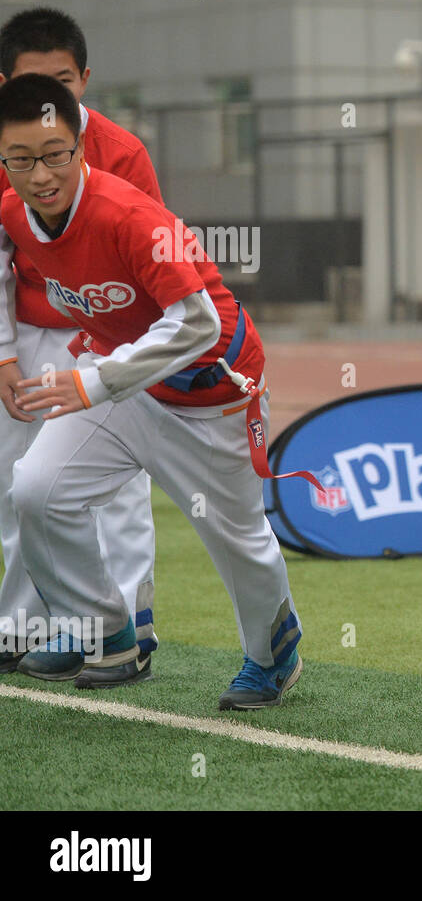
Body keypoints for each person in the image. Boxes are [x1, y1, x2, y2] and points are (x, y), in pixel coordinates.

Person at [0, 74, 302, 708]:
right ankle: (106, 630)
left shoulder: (130, 215)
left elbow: (199, 322)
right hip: (127, 385)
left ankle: (274, 654)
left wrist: (95, 380)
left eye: (54, 154)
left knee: (237, 537)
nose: (40, 174)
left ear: (81, 146)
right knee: (36, 490)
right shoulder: (13, 213)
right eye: (20, 160)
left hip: (209, 393)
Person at [0, 7, 159, 678]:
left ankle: (129, 626)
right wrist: (4, 354)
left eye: (61, 81)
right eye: (30, 83)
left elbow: (154, 262)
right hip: (27, 335)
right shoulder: (5, 148)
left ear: (85, 79)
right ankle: (23, 625)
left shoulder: (124, 152)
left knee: (114, 488)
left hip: (106, 342)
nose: (47, 101)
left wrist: (127, 361)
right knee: (21, 483)